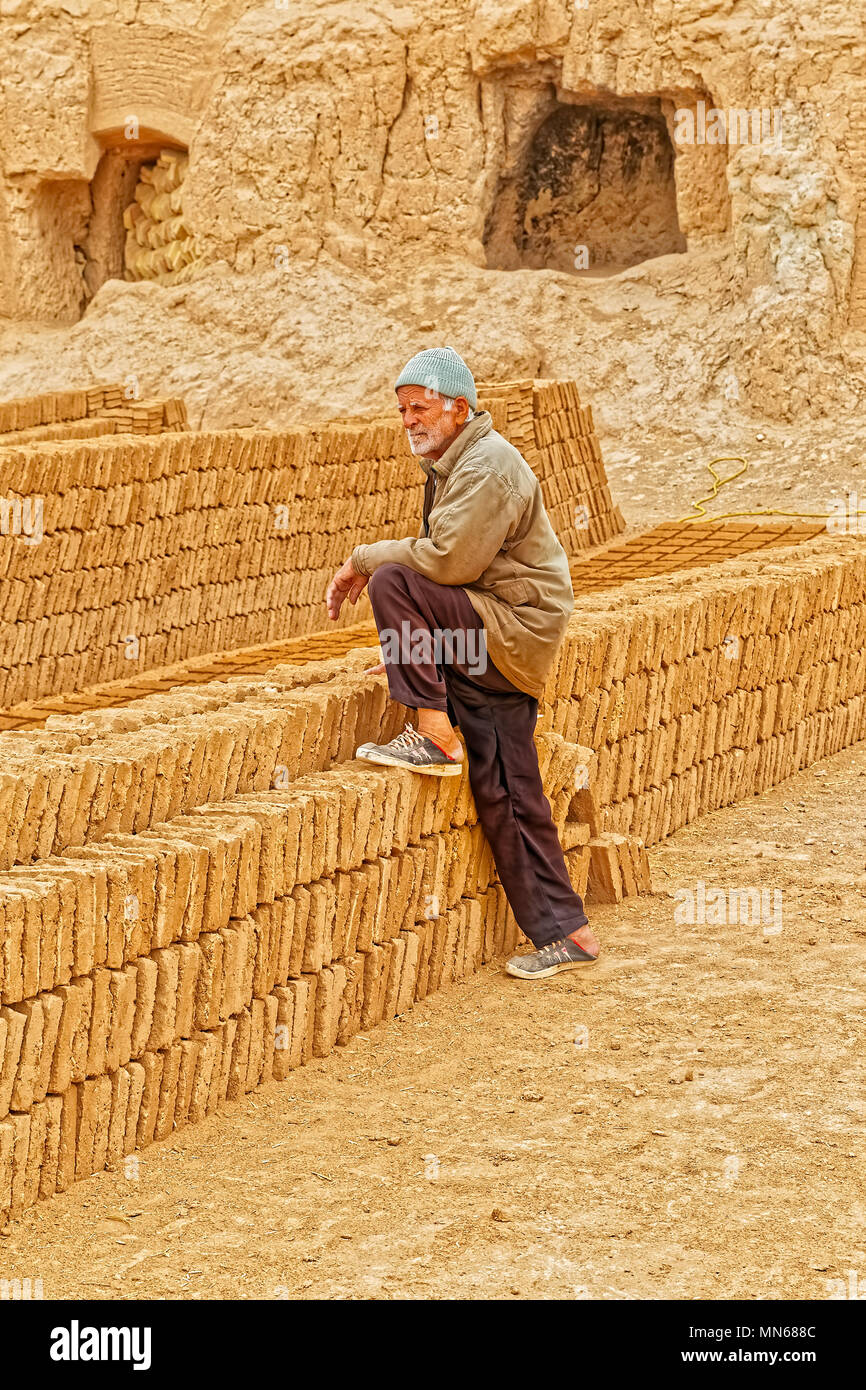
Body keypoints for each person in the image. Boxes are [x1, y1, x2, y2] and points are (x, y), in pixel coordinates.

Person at [325, 346, 598, 980]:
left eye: (418, 407)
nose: (408, 420)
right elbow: (455, 577)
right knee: (504, 788)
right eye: (402, 410)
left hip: (514, 631)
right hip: (491, 636)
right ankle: (569, 932)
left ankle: (434, 734)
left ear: (459, 407)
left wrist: (365, 558)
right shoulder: (455, 463)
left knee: (392, 578)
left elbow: (446, 564)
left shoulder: (488, 466)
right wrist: (411, 652)